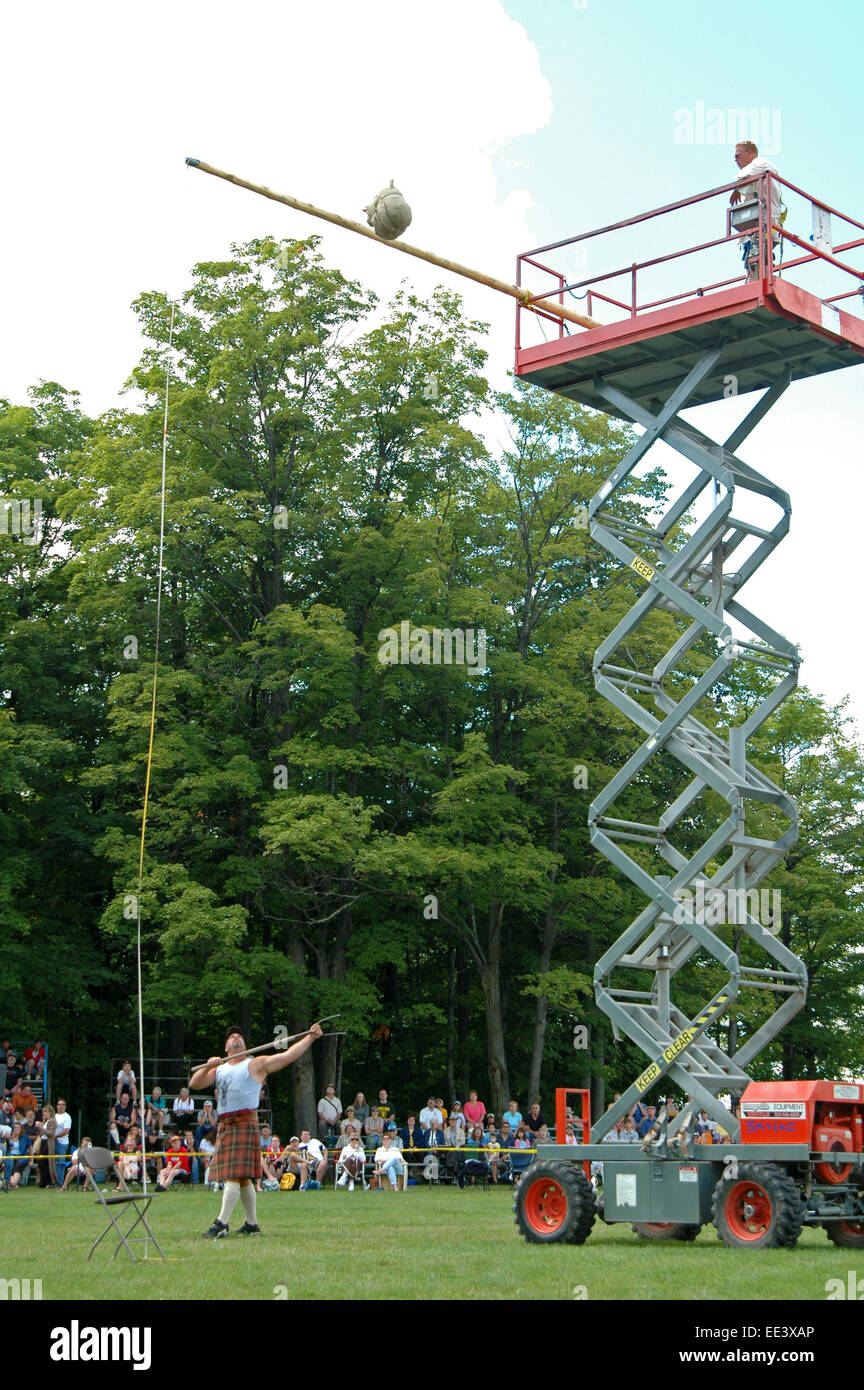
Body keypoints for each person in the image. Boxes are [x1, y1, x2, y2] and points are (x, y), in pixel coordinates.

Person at [189, 1020, 323, 1237]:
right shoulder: (220, 1069)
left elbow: (287, 1056)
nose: (235, 1038)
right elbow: (195, 1084)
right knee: (242, 1179)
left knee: (233, 1176)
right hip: (225, 1124)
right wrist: (208, 1066)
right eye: (231, 1037)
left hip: (244, 1123)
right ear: (225, 1047)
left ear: (244, 1044)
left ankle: (222, 1223)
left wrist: (310, 1037)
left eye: (239, 1036)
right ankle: (252, 1225)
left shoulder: (254, 1064)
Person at [729, 140, 782, 282]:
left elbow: (739, 177)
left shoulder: (760, 163)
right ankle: (758, 285)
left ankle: (759, 287)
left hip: (762, 226)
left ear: (750, 153)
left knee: (757, 260)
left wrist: (735, 189)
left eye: (738, 155)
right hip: (758, 227)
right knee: (754, 260)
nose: (735, 159)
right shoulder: (755, 173)